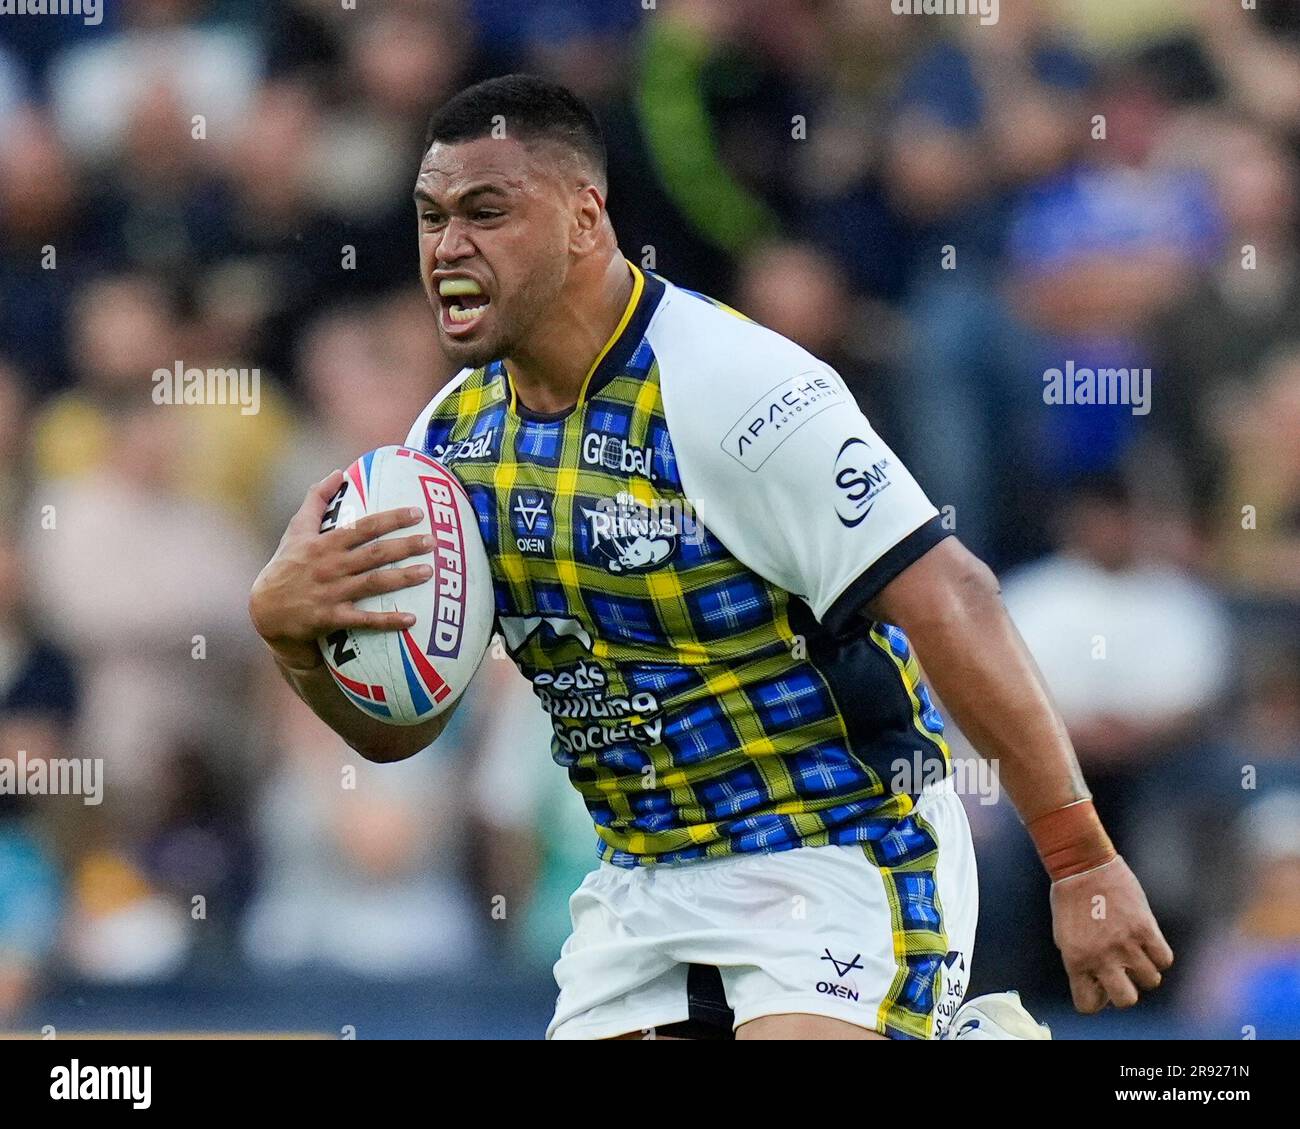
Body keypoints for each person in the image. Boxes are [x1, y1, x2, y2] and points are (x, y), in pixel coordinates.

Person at [249, 75, 1172, 1041]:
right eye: (431, 217)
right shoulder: (448, 449)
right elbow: (403, 732)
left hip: (839, 850)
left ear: (583, 217)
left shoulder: (733, 389)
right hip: (640, 885)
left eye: (486, 212)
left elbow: (955, 598)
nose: (448, 247)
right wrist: (296, 645)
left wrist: (1081, 860)